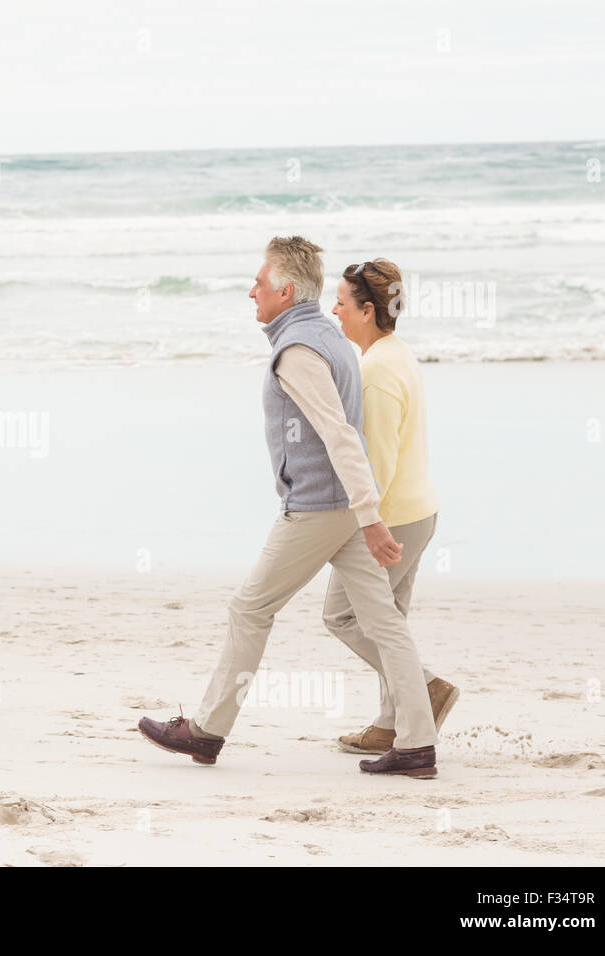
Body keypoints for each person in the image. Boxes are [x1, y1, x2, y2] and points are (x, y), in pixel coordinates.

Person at [137, 236, 438, 777]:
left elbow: (341, 434)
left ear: (286, 289)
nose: (251, 291)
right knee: (384, 622)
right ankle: (417, 744)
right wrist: (363, 512)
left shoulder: (298, 351)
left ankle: (206, 732)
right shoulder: (328, 336)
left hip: (320, 509)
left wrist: (370, 518)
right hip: (342, 506)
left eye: (259, 282)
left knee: (249, 609)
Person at [325, 259, 458, 753]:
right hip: (419, 510)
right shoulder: (396, 353)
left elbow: (373, 463)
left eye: (340, 302)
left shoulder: (376, 372)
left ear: (365, 310)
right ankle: (390, 723)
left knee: (342, 617)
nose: (333, 311)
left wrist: (364, 525)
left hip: (394, 518)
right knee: (389, 623)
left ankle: (426, 687)